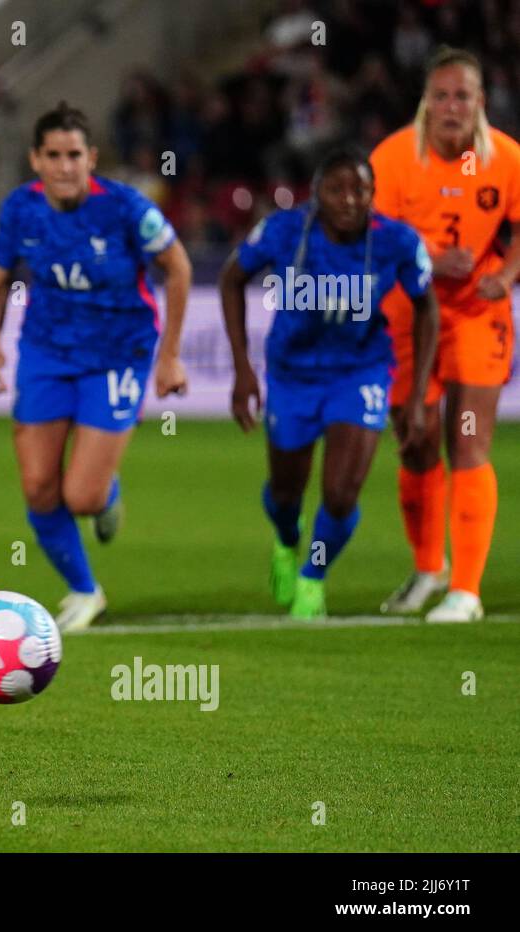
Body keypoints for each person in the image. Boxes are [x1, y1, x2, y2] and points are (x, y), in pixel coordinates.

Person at [0, 102, 191, 630]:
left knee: (81, 496)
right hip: (47, 352)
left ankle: (106, 493)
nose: (64, 166)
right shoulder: (20, 209)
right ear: (36, 159)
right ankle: (85, 590)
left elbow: (179, 266)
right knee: (37, 488)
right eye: (53, 155)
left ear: (91, 158)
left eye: (74, 154)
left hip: (118, 354)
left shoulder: (126, 208)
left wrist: (169, 356)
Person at [219, 148, 438, 618]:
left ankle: (313, 576)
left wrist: (416, 396)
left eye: (360, 189)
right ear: (316, 194)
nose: (349, 200)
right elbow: (231, 278)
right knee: (285, 493)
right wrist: (242, 369)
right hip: (292, 375)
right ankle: (286, 540)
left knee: (340, 494)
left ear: (373, 195)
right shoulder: (284, 231)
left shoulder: (395, 241)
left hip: (360, 371)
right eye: (336, 189)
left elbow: (427, 306)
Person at [370, 47, 520, 622]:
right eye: (441, 96)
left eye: (462, 95)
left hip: (477, 315)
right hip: (407, 311)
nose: (451, 106)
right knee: (414, 439)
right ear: (425, 102)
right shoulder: (393, 159)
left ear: (480, 102)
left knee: (468, 442)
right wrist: (430, 255)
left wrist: (504, 276)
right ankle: (428, 568)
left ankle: (467, 589)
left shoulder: (504, 158)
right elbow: (370, 236)